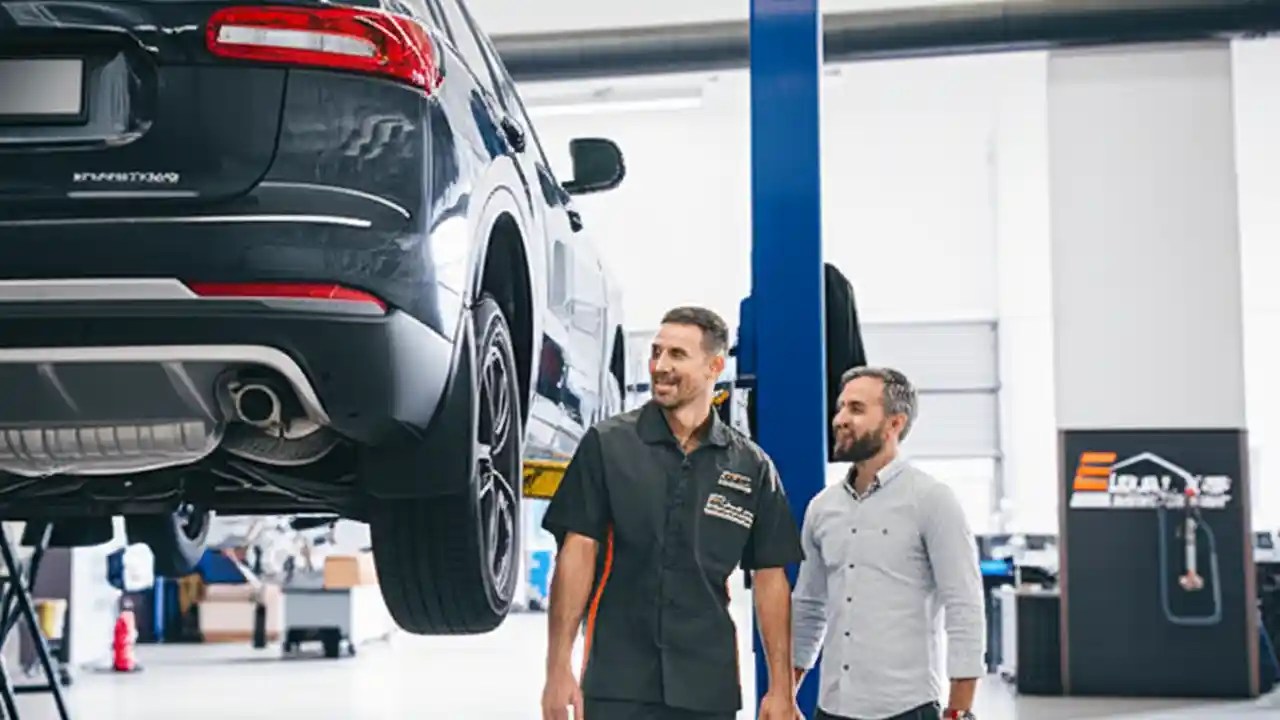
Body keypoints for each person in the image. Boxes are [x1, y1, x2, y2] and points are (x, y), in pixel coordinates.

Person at [540, 306, 805, 720]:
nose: (660, 366)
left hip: (707, 688)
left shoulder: (750, 467)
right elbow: (577, 553)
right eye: (656, 352)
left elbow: (771, 579)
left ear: (714, 366)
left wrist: (781, 689)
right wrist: (558, 669)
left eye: (677, 355)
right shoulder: (607, 446)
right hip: (617, 683)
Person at [792, 367, 985, 720]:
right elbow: (809, 606)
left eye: (856, 409)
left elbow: (964, 606)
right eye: (840, 407)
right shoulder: (822, 508)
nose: (840, 419)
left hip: (906, 708)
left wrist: (960, 710)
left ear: (895, 423)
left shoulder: (931, 500)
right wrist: (785, 694)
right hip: (832, 708)